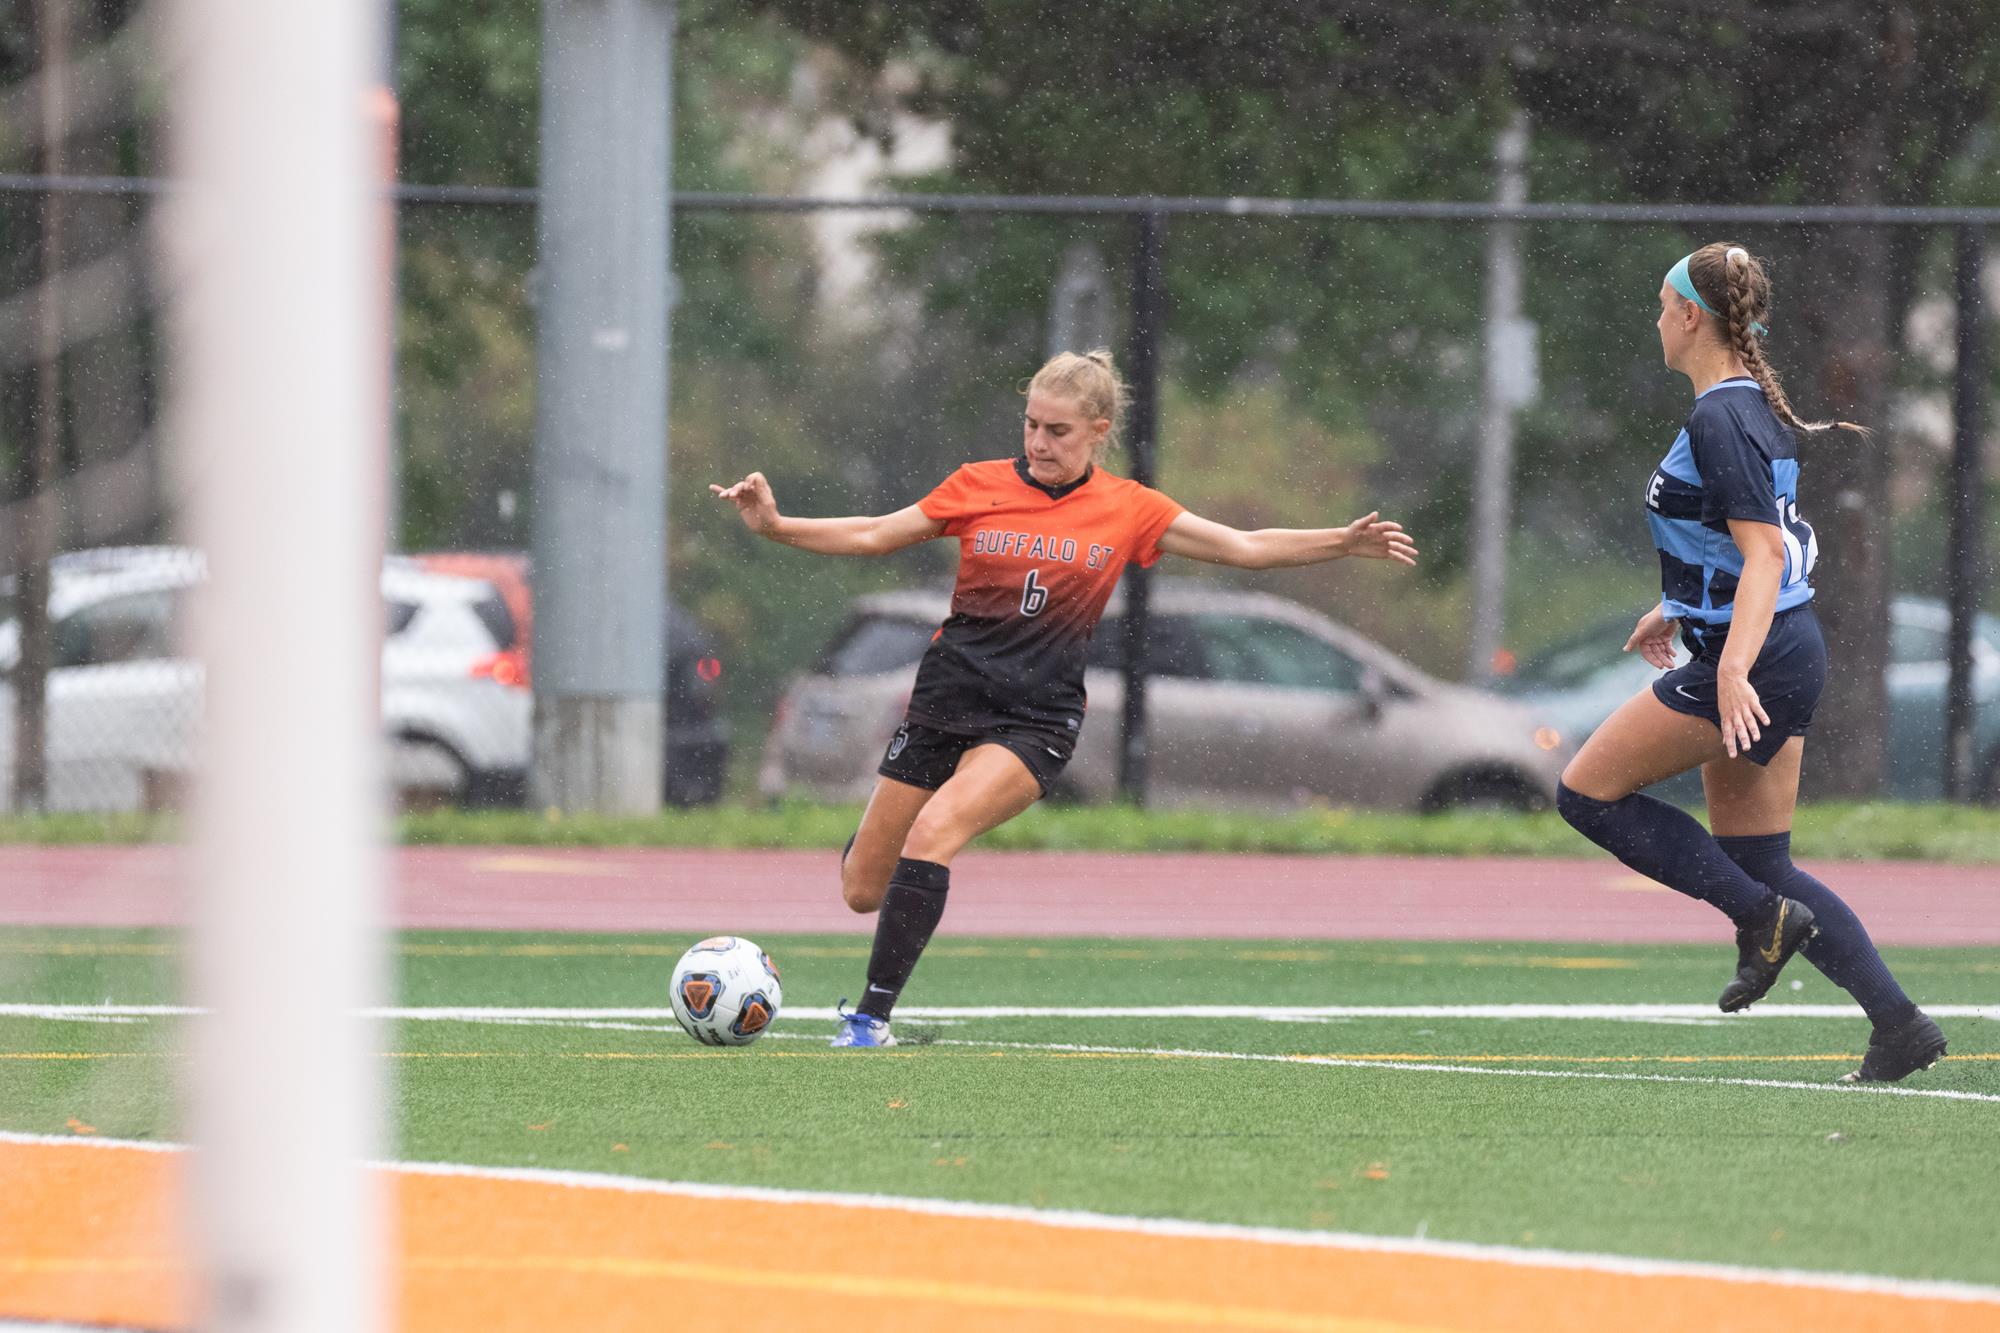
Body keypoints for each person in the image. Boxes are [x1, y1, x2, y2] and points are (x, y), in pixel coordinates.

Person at [713, 349, 1418, 1048]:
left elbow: (1242, 546)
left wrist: (1341, 542)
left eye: (1058, 431)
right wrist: (777, 526)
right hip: (942, 703)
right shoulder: (976, 486)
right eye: (1031, 425)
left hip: (1033, 720)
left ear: (1098, 431)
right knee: (863, 888)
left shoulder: (1129, 508)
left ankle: (869, 1019)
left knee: (935, 834)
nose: (1039, 442)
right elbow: (873, 533)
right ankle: (883, 847)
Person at [1554, 242, 1947, 1084]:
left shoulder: (1720, 413)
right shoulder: (1747, 405)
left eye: (1663, 307)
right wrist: (1676, 605)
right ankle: (1899, 1023)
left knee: (1585, 793)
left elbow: (1765, 552)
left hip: (1760, 654)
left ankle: (1762, 919)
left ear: (1691, 315)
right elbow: (1746, 541)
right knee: (1762, 858)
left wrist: (1729, 667)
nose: (1657, 322)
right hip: (1783, 645)